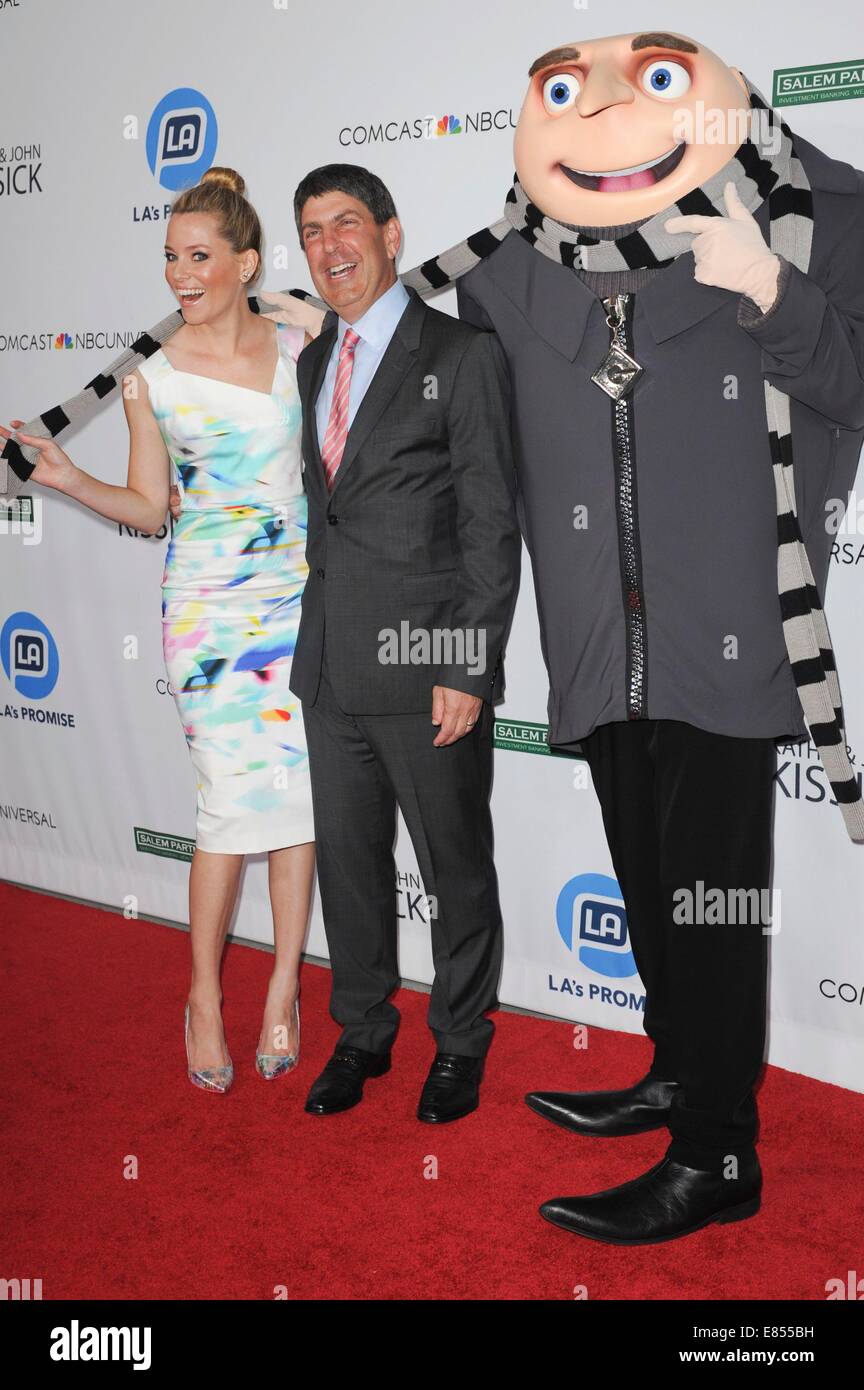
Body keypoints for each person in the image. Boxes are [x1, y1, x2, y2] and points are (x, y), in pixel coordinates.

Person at [1, 166, 319, 1093]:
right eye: (170, 257)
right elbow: (149, 508)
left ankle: (284, 995)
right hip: (210, 612)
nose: (181, 274)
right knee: (227, 808)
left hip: (300, 602)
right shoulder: (151, 377)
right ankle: (204, 998)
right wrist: (64, 478)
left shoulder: (302, 338)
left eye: (198, 256)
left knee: (297, 814)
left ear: (245, 262)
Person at [287, 164, 521, 1123]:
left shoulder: (461, 353)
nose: (331, 247)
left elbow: (490, 522)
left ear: (390, 233)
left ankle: (461, 1043)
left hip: (430, 670)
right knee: (349, 864)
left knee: (453, 865)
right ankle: (363, 1030)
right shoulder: (312, 360)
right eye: (312, 231)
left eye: (347, 224)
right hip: (332, 665)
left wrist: (469, 666)